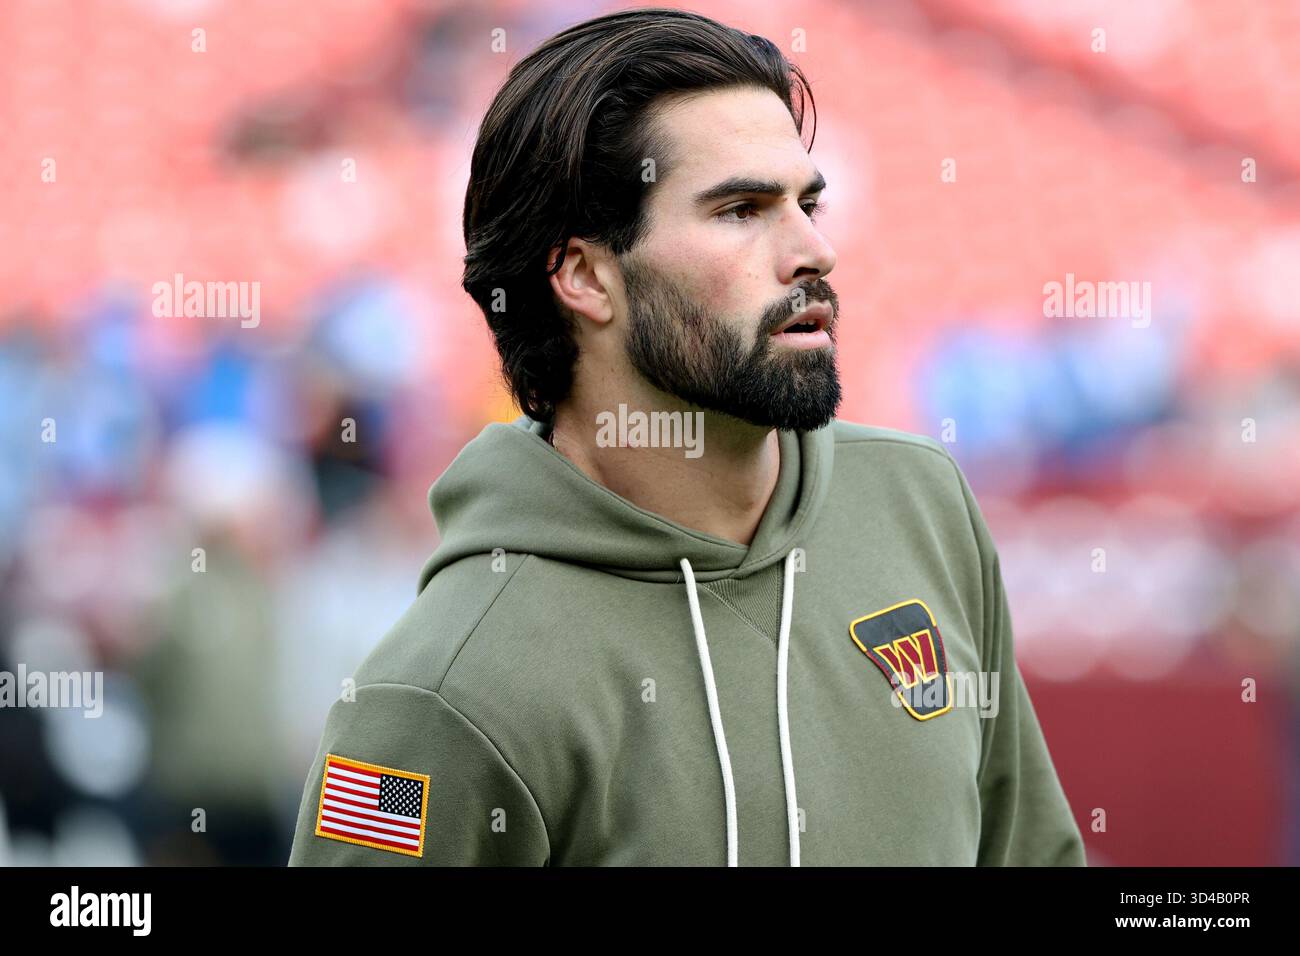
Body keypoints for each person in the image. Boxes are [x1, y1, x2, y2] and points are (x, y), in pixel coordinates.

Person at [288, 7, 1085, 866]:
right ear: (587, 276)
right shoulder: (431, 697)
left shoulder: (923, 505)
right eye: (742, 210)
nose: (814, 249)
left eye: (807, 203)